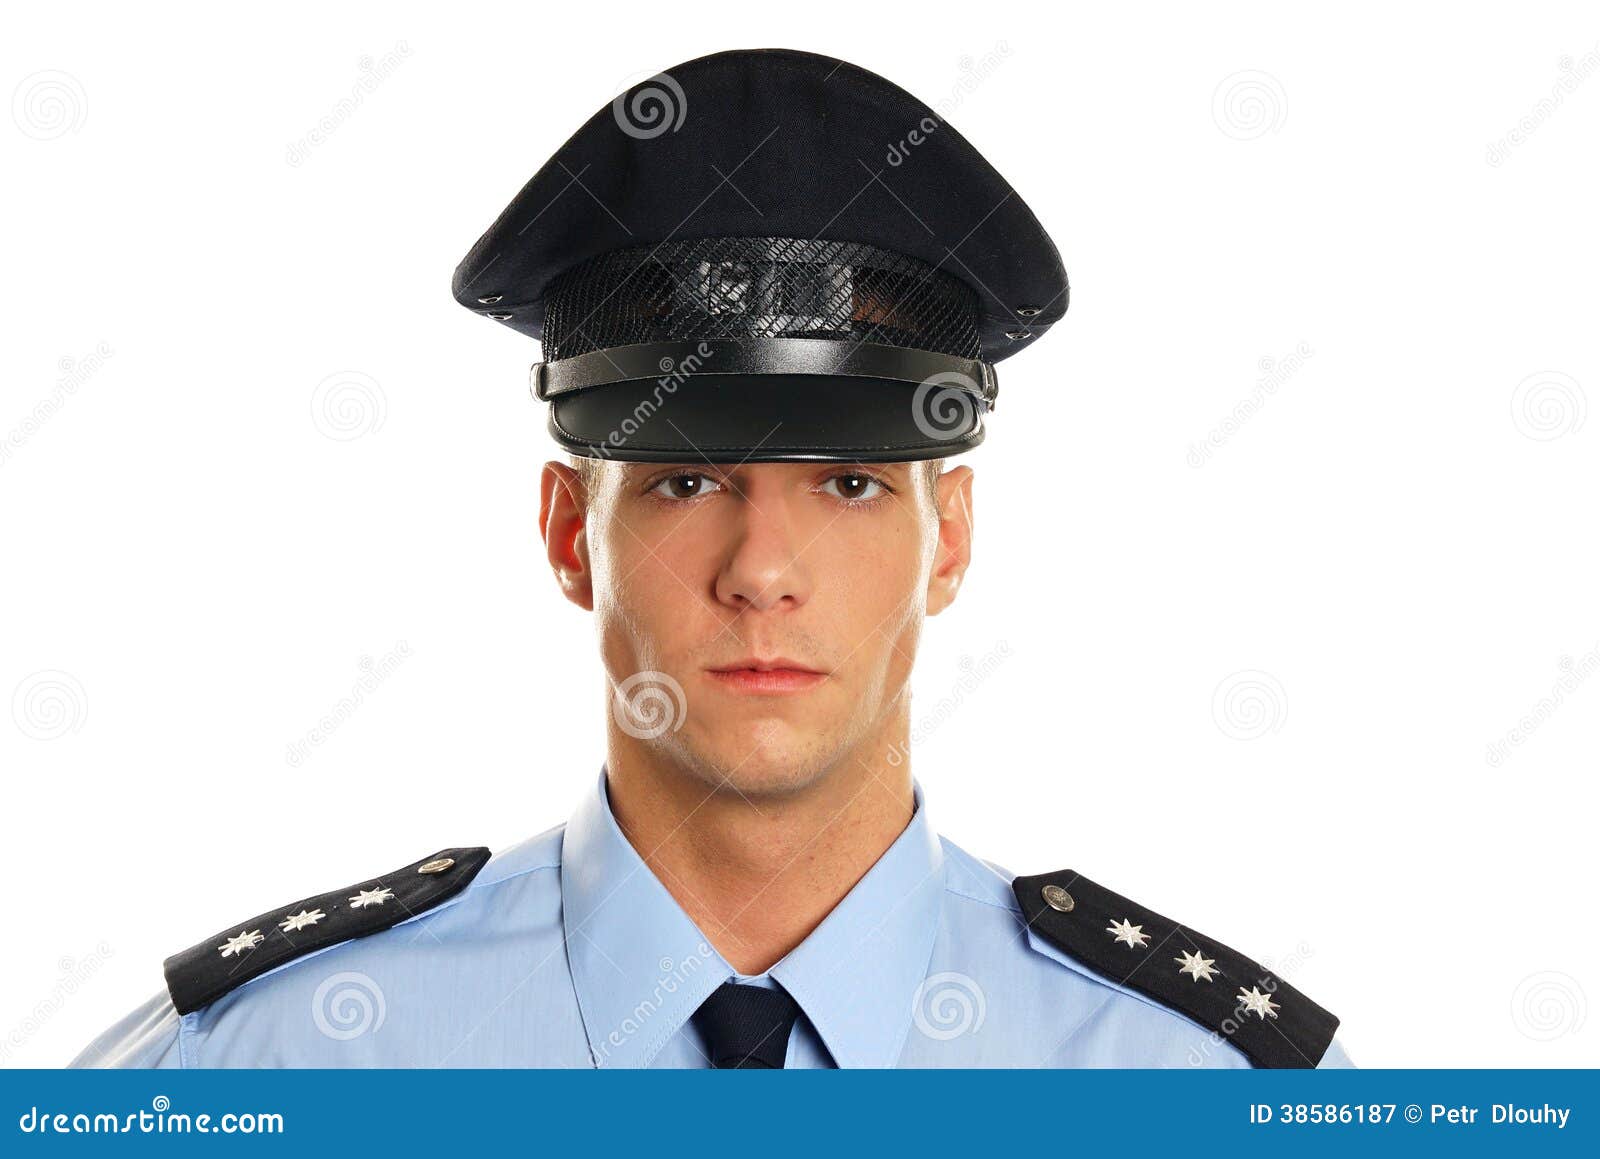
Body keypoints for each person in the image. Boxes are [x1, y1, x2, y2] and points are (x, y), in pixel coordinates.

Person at [72, 48, 1348, 1069]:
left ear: (946, 538)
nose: (763, 569)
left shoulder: (1193, 1084)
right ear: (573, 534)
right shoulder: (262, 1067)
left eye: (848, 484)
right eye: (688, 480)